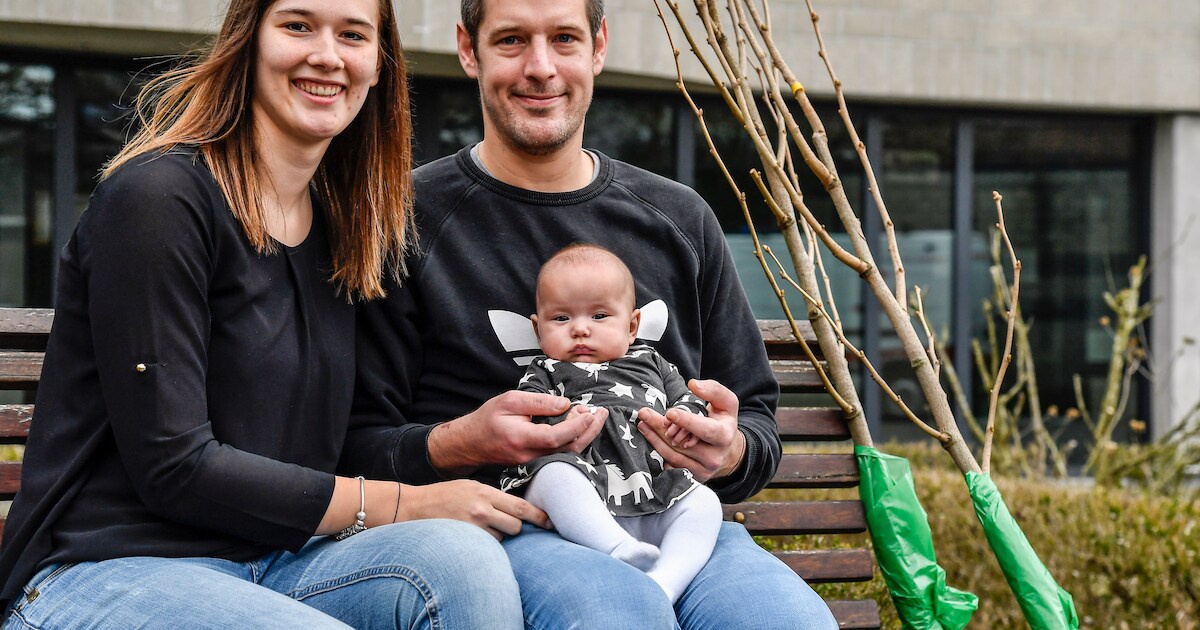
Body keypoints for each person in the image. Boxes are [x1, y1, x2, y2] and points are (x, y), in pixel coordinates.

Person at [0, 1, 532, 628]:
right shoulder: (157, 202)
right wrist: (404, 503)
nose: (327, 56)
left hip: (272, 564)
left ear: (379, 66)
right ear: (248, 43)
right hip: (101, 570)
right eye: (298, 25)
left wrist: (464, 441)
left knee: (463, 561)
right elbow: (173, 467)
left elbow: (346, 446)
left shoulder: (347, 233)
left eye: (353, 35)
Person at [351, 0, 839, 626]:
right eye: (510, 41)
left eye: (563, 38)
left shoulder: (679, 220)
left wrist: (729, 451)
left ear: (598, 46)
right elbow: (356, 446)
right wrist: (462, 442)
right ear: (468, 51)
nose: (541, 67)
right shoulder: (401, 222)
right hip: (515, 528)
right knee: (619, 614)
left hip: (678, 521)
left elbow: (758, 426)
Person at [501, 243, 722, 604]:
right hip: (579, 494)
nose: (580, 330)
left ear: (632, 325)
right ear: (538, 330)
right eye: (562, 319)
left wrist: (685, 423)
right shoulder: (544, 370)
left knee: (704, 504)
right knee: (553, 475)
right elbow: (521, 418)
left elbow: (688, 400)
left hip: (651, 487)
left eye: (599, 316)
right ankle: (617, 548)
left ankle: (666, 583)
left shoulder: (653, 363)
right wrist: (553, 424)